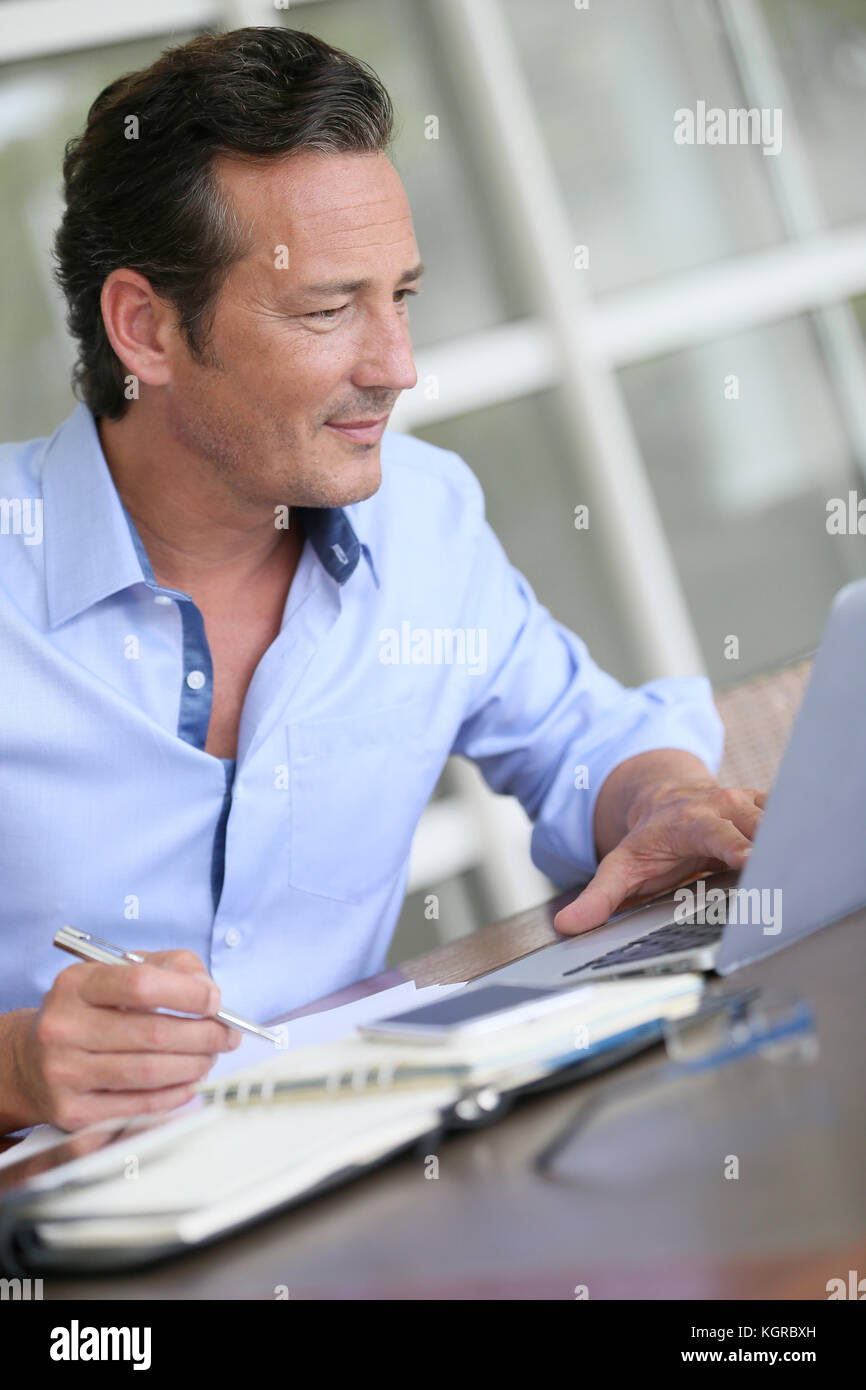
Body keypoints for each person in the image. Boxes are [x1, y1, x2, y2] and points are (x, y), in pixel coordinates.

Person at [0, 28, 764, 1133]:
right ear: (146, 328)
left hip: (345, 1176)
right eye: (324, 309)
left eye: (398, 295)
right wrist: (19, 1067)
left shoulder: (420, 518)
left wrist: (667, 802)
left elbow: (583, 741)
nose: (395, 365)